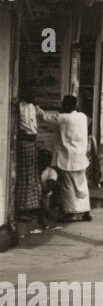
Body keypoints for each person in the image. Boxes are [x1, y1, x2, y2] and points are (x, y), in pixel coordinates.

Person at [38, 95, 91, 223]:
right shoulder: (82, 117)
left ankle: (70, 212)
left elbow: (45, 117)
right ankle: (85, 212)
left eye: (64, 105)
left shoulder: (64, 118)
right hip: (81, 157)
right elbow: (88, 120)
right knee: (82, 185)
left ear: (67, 106)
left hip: (70, 158)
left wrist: (37, 108)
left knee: (68, 187)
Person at [14, 86, 42, 228]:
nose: (34, 96)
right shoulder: (18, 106)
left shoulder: (33, 107)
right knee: (25, 175)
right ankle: (21, 208)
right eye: (32, 92)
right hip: (24, 142)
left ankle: (29, 207)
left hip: (32, 142)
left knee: (32, 175)